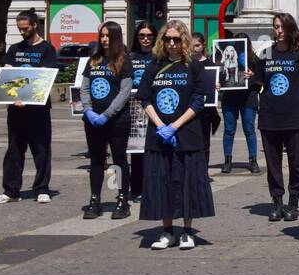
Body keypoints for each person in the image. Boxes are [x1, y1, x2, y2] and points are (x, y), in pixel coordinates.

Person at [138, 20, 215, 249]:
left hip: (187, 135)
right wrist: (161, 125)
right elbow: (145, 98)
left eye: (176, 39)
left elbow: (199, 100)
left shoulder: (193, 67)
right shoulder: (153, 66)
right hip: (159, 135)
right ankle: (167, 230)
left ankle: (188, 231)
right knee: (163, 182)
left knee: (187, 183)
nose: (171, 43)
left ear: (184, 41)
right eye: (167, 39)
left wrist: (175, 126)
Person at [0, 9, 58, 205]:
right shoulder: (15, 49)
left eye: (25, 28)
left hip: (38, 109)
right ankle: (11, 191)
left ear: (34, 25)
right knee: (14, 150)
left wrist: (27, 96)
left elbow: (44, 77)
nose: (22, 32)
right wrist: (14, 97)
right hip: (16, 109)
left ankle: (42, 189)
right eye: (19, 29)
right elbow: (7, 74)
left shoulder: (47, 49)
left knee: (41, 149)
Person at [254, 13, 299, 222]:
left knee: (296, 162)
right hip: (270, 116)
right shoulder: (266, 54)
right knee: (273, 163)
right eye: (275, 27)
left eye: (282, 27)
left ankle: (293, 202)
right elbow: (257, 82)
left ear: (290, 28)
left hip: (296, 115)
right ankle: (276, 201)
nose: (278, 31)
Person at [79, 21, 134, 219]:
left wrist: (107, 114)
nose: (104, 39)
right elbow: (84, 88)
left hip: (117, 120)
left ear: (116, 38)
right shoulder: (93, 59)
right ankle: (95, 200)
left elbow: (124, 92)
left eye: (108, 36)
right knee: (96, 160)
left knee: (119, 160)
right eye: (102, 35)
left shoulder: (123, 61)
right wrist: (88, 111)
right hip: (93, 120)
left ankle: (122, 199)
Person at [219, 33, 260, 174]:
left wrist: (253, 76)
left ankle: (253, 160)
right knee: (229, 130)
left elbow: (262, 78)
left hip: (248, 99)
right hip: (230, 98)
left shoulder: (254, 59)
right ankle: (227, 160)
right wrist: (218, 84)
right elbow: (218, 75)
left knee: (249, 129)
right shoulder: (224, 58)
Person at [127, 22, 158, 201]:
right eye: (141, 36)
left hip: (153, 108)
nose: (145, 39)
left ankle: (153, 187)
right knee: (136, 151)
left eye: (149, 36)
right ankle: (136, 188)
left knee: (153, 150)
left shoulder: (158, 57)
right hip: (133, 109)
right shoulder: (130, 57)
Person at [191, 32, 221, 170]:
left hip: (207, 110)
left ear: (203, 45)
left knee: (204, 142)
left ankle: (203, 171)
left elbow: (218, 83)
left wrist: (217, 87)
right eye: (192, 46)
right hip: (190, 109)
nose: (194, 48)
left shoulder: (210, 64)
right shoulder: (187, 63)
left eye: (197, 45)